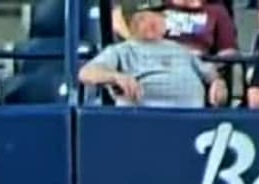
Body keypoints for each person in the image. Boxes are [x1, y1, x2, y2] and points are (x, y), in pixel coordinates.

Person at [80, 0, 229, 107]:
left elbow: (209, 73)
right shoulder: (122, 51)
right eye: (142, 18)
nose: (151, 22)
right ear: (129, 24)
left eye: (156, 15)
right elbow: (86, 73)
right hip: (143, 121)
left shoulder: (180, 50)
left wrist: (218, 83)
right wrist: (116, 77)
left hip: (191, 123)